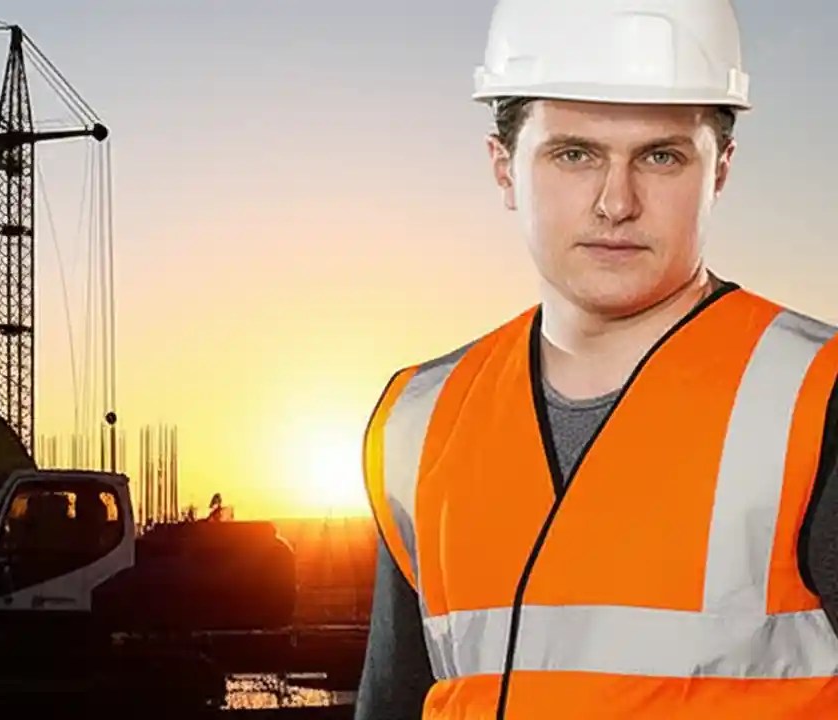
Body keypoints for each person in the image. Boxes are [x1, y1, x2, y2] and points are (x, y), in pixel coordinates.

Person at [356, 1, 838, 718]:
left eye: (662, 156)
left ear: (721, 171)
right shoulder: (420, 419)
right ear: (504, 168)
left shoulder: (816, 398)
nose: (617, 202)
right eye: (574, 153)